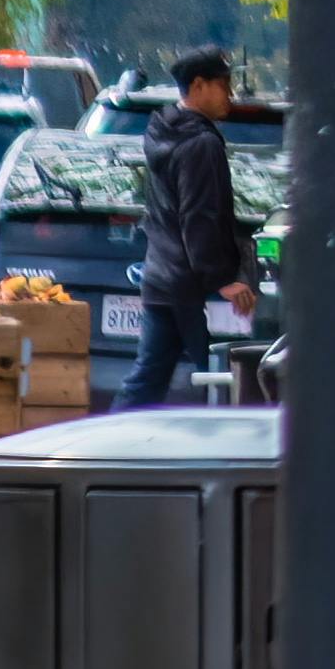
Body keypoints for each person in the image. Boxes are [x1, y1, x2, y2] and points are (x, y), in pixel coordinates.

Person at [126, 49, 253, 407]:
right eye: (223, 85)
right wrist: (223, 277)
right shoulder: (201, 144)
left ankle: (109, 448)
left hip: (161, 273)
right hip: (185, 279)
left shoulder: (162, 130)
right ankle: (225, 454)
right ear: (198, 86)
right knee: (221, 379)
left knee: (149, 376)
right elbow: (200, 216)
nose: (229, 95)